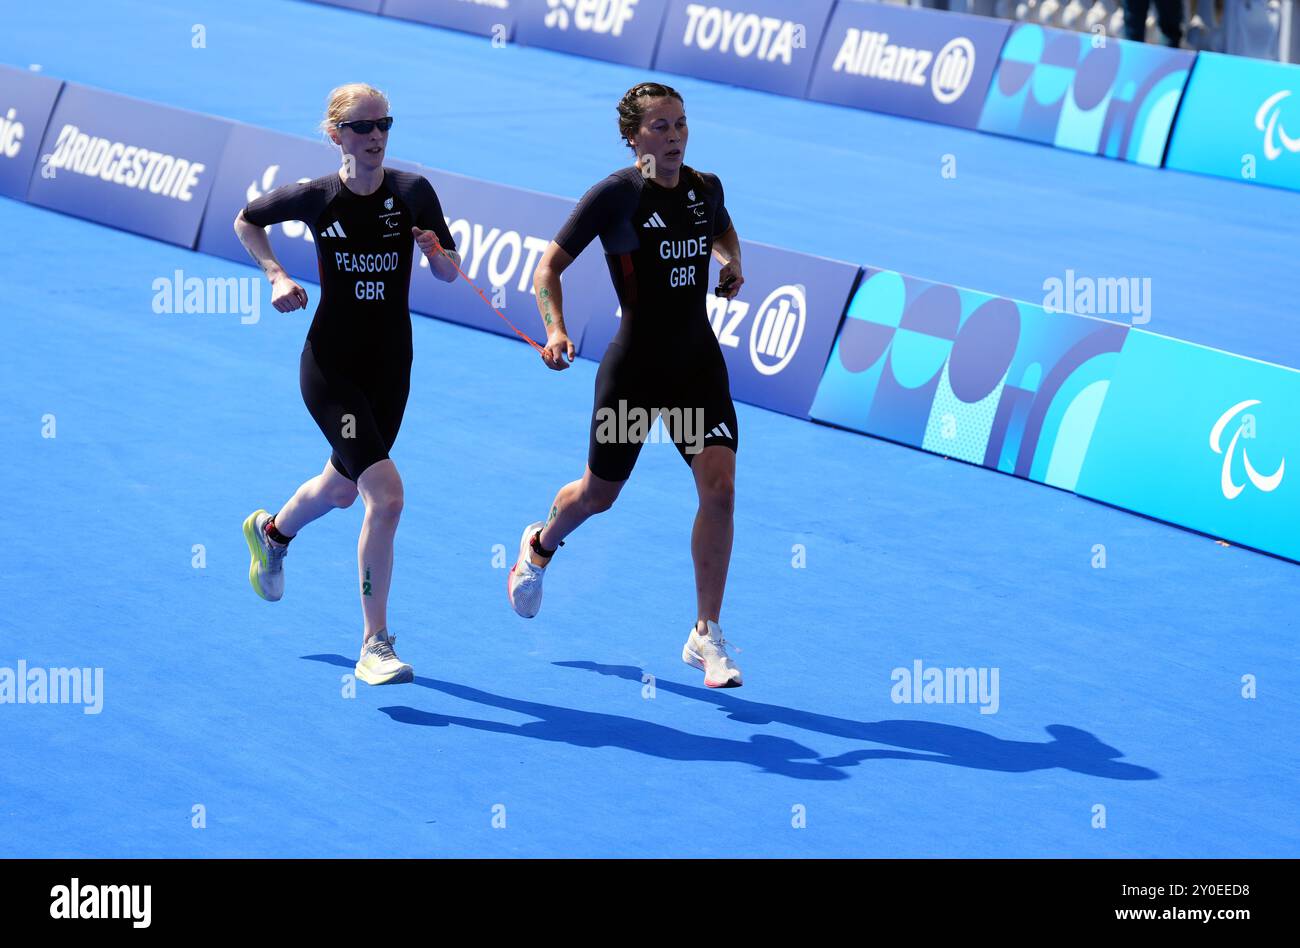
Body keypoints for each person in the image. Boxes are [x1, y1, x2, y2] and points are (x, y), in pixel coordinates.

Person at [507, 82, 746, 688]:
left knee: (718, 489)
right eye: (660, 127)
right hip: (634, 373)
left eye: (682, 125)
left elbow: (723, 230)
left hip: (696, 369)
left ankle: (706, 633)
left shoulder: (704, 188)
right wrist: (555, 329)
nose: (674, 138)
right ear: (633, 136)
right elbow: (549, 266)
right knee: (597, 496)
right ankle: (540, 543)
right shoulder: (616, 195)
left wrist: (731, 262)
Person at [234, 83, 460, 686]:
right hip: (331, 366)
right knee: (384, 496)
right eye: (363, 127)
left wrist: (436, 251)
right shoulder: (315, 197)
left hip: (392, 364)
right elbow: (246, 220)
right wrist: (275, 273)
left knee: (340, 488)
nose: (377, 136)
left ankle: (272, 533)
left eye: (385, 123)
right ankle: (374, 644)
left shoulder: (413, 193)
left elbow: (447, 271)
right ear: (336, 135)